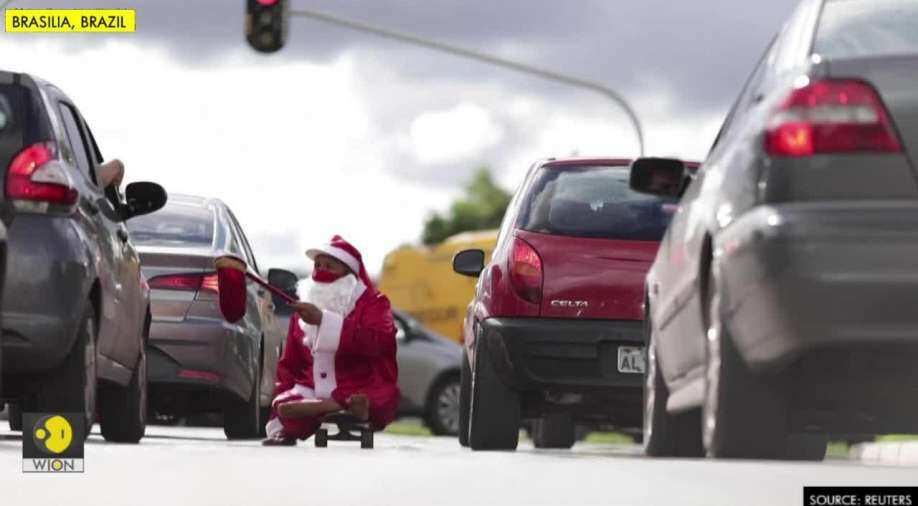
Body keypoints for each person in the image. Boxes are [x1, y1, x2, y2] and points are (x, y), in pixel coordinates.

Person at [262, 235, 400, 446]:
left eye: (329, 266)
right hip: (313, 387)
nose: (321, 271)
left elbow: (378, 343)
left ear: (349, 274)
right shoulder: (303, 310)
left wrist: (324, 321)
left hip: (360, 383)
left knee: (379, 398)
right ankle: (336, 405)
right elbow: (290, 365)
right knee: (283, 404)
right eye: (317, 265)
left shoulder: (375, 303)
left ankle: (336, 405)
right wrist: (280, 412)